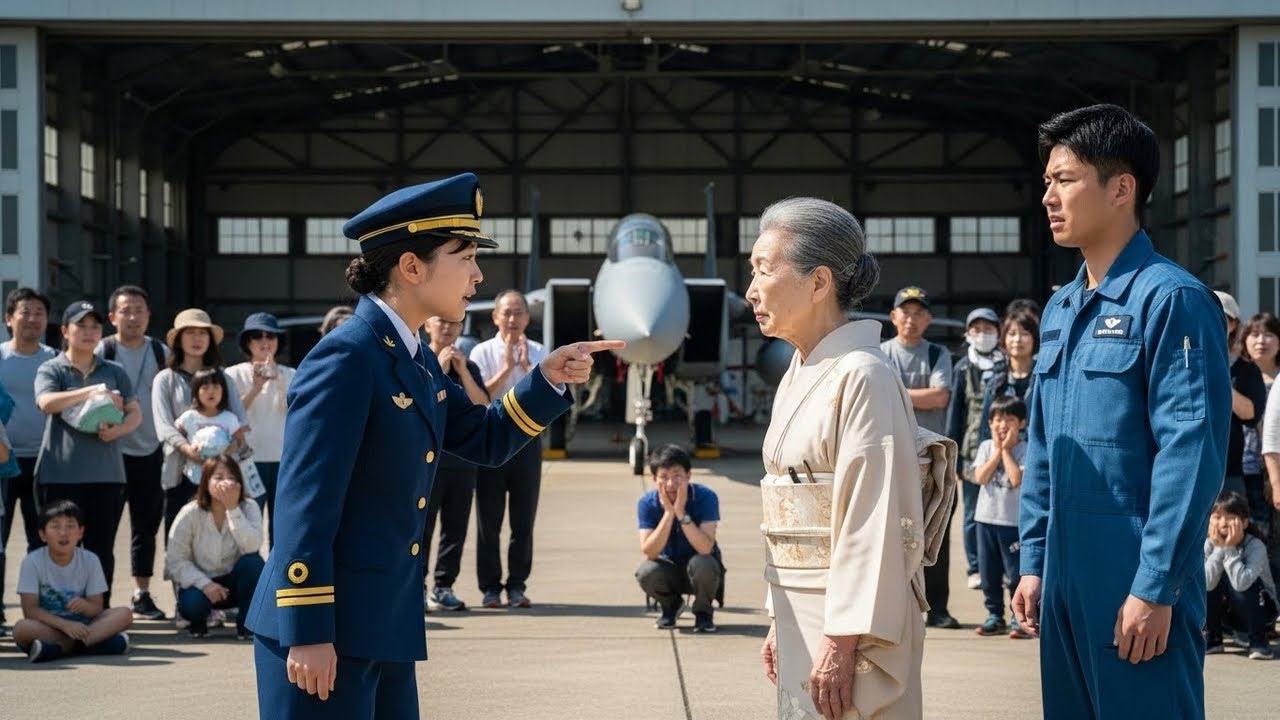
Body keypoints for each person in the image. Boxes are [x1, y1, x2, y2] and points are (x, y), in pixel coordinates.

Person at [243, 172, 621, 719]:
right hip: (326, 632)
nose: (477, 272)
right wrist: (306, 631)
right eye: (463, 255)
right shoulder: (348, 356)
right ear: (412, 266)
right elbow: (305, 504)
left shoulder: (411, 355)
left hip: (382, 623)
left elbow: (484, 437)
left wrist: (547, 378)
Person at [1012, 104, 1231, 720]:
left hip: (1133, 566)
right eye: (1048, 180)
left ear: (1121, 188)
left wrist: (1155, 585)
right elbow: (1045, 447)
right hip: (1062, 570)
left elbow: (1190, 450)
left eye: (1065, 179)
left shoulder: (1174, 300)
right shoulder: (1059, 311)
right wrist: (1033, 562)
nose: (1048, 195)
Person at [752, 197, 935, 720]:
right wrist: (775, 616)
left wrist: (843, 639)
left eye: (764, 270)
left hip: (848, 623)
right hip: (800, 604)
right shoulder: (799, 372)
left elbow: (872, 520)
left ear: (818, 283)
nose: (751, 290)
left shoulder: (863, 375)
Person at [34, 301, 143, 602]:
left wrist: (118, 430)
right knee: (58, 547)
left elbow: (135, 413)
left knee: (100, 548)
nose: (89, 332)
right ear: (65, 331)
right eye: (80, 325)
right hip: (59, 474)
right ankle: (55, 610)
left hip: (107, 476)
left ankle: (99, 609)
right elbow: (46, 403)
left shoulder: (114, 371)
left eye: (94, 326)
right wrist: (91, 392)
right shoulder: (52, 368)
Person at [881, 285, 957, 629]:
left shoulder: (937, 353)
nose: (910, 319)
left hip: (931, 462)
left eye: (918, 313)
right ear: (893, 317)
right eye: (904, 312)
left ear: (928, 319)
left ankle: (938, 609)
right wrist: (915, 395)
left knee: (934, 537)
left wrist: (895, 392)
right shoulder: (881, 353)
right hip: (891, 460)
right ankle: (892, 605)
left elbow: (940, 397)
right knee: (889, 538)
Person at [469, 289, 548, 609]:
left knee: (523, 520)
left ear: (528, 318)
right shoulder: (481, 353)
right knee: (489, 520)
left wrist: (527, 368)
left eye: (519, 313)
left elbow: (547, 400)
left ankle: (517, 585)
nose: (513, 319)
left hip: (527, 443)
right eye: (507, 313)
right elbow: (480, 398)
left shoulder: (541, 352)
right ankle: (490, 587)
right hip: (491, 440)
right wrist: (506, 367)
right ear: (495, 317)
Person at [97, 284, 171, 621]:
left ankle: (142, 593)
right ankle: (100, 597)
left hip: (152, 450)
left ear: (149, 315)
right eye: (126, 310)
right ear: (112, 317)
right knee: (104, 527)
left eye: (139, 310)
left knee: (146, 526)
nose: (133, 316)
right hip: (109, 450)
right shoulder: (103, 351)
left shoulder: (160, 351)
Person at [152, 308, 248, 540]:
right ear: (178, 339)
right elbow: (164, 426)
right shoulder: (165, 379)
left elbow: (240, 422)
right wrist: (189, 451)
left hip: (222, 472)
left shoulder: (223, 378)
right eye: (190, 333)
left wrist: (223, 453)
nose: (197, 339)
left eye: (203, 333)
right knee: (180, 537)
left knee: (222, 535)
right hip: (179, 471)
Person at [421, 315, 488, 612]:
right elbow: (422, 403)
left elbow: (482, 407)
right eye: (441, 323)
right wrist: (441, 369)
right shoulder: (419, 360)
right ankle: (416, 586)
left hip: (462, 462)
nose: (448, 329)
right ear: (427, 325)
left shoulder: (468, 365)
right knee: (421, 528)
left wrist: (461, 370)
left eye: (454, 324)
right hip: (427, 462)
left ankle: (443, 585)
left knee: (455, 528)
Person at [0, 287, 58, 629]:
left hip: (44, 461)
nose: (33, 319)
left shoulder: (54, 358)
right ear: (9, 319)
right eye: (26, 312)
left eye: (39, 313)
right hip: (3, 464)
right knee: (1, 541)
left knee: (45, 539)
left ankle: (47, 609)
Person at [12, 500, 133, 663]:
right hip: (50, 627)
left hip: (85, 625)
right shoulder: (32, 562)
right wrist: (65, 625)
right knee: (22, 629)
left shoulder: (90, 560)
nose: (63, 533)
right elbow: (30, 610)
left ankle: (62, 648)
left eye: (70, 526)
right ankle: (95, 644)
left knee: (124, 614)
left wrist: (86, 606)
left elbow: (97, 607)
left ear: (80, 532)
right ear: (42, 534)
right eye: (55, 526)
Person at [166, 455, 266, 639]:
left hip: (234, 582)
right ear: (206, 481)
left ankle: (247, 626)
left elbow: (252, 546)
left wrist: (232, 509)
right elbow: (175, 560)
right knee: (193, 604)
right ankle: (198, 623)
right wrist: (206, 584)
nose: (226, 483)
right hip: (201, 584)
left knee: (253, 563)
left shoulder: (249, 507)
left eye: (232, 478)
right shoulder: (190, 512)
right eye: (219, 477)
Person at [945, 307, 1004, 591]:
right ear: (968, 334)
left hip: (1002, 450)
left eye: (989, 329)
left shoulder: (1006, 365)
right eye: (977, 329)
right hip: (970, 451)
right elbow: (955, 413)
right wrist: (952, 455)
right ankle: (975, 566)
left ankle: (1002, 565)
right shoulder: (962, 368)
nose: (983, 335)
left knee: (1003, 509)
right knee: (971, 513)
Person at [635, 443, 722, 633]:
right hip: (669, 569)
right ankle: (671, 606)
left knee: (703, 562)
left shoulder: (706, 497)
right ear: (654, 479)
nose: (670, 484)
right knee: (646, 571)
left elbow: (705, 548)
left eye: (677, 476)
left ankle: (704, 612)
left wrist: (681, 513)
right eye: (663, 477)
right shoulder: (647, 503)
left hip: (700, 570)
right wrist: (668, 513)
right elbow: (649, 551)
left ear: (689, 476)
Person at [226, 312, 296, 542]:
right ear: (248, 342)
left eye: (271, 337)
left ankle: (276, 577)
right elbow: (231, 417)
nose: (265, 342)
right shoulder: (232, 374)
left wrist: (278, 380)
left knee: (282, 527)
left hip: (283, 461)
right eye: (257, 336)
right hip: (246, 461)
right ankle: (252, 574)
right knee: (249, 523)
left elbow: (295, 413)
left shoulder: (291, 374)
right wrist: (255, 388)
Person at [971, 396, 1030, 639]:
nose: (1002, 424)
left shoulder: (1026, 449)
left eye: (1009, 419)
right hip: (986, 520)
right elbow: (980, 477)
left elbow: (1017, 479)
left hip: (1013, 523)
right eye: (997, 420)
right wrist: (998, 450)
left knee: (1015, 573)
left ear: (1022, 423)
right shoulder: (986, 446)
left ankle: (1020, 617)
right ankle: (994, 614)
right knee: (989, 573)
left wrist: (1006, 450)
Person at [1203, 490, 1277, 660]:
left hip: (1260, 612)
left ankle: (1259, 641)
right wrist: (1219, 548)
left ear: (1244, 522)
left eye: (1230, 517)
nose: (1223, 523)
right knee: (1205, 583)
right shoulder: (1208, 543)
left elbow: (1242, 583)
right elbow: (1205, 584)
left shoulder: (1256, 546)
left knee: (1244, 581)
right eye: (1217, 516)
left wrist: (1228, 548)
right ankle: (1213, 638)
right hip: (1227, 615)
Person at [1216, 292, 1268, 504]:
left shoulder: (1246, 370)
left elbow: (1250, 414)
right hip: (1188, 466)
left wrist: (1216, 370)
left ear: (1234, 325)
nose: (1214, 320)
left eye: (1223, 318)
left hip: (1230, 470)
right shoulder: (1182, 357)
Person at [976, 309, 1041, 448]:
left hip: (1036, 451)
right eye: (1012, 334)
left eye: (1025, 333)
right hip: (1002, 455)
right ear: (1004, 339)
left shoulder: (1044, 380)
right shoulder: (995, 381)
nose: (1017, 339)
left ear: (1034, 338)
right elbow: (985, 427)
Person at [174, 368, 248, 483]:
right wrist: (189, 449)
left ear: (223, 391)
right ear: (195, 392)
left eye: (216, 387)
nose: (211, 392)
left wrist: (227, 452)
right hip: (194, 476)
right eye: (205, 388)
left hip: (222, 477)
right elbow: (175, 436)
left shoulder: (229, 418)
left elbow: (239, 440)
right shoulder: (189, 417)